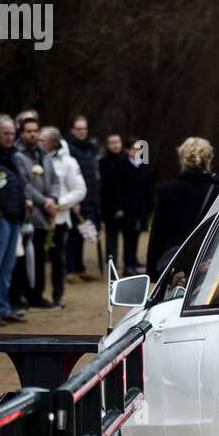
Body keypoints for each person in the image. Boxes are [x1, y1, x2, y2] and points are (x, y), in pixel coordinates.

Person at [146, 137, 219, 278]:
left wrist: (152, 270)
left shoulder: (168, 189)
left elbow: (158, 233)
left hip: (173, 263)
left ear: (182, 158)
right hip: (206, 262)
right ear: (209, 159)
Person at [11, 115, 58, 308]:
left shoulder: (44, 155)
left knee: (40, 256)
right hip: (31, 213)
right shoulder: (17, 155)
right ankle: (24, 294)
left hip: (46, 212)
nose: (32, 134)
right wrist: (44, 201)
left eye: (35, 131)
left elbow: (55, 180)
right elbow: (25, 184)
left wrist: (53, 199)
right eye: (28, 131)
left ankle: (37, 293)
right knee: (25, 257)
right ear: (21, 134)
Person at [40, 127, 88, 308]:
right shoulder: (34, 159)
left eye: (42, 140)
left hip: (57, 219)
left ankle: (57, 295)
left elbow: (80, 189)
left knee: (57, 259)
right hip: (36, 217)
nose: (38, 142)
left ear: (52, 142)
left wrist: (60, 203)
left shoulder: (68, 162)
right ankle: (34, 296)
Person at [0, 116, 27, 327]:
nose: (9, 137)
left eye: (12, 133)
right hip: (0, 218)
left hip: (15, 217)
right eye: (5, 133)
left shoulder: (14, 155)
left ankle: (3, 307)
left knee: (7, 267)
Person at [99, 134, 150, 276]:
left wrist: (149, 206)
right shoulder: (121, 165)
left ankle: (133, 261)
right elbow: (118, 188)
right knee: (127, 237)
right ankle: (128, 266)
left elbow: (147, 187)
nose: (136, 151)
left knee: (136, 235)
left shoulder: (143, 165)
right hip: (127, 209)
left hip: (140, 208)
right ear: (127, 150)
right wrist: (120, 207)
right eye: (133, 149)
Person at [65, 114, 102, 281]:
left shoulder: (88, 148)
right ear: (73, 130)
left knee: (81, 234)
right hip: (76, 199)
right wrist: (74, 199)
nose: (82, 132)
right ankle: (71, 270)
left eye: (84, 128)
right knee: (73, 234)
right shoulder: (69, 148)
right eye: (78, 129)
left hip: (89, 197)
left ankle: (79, 268)